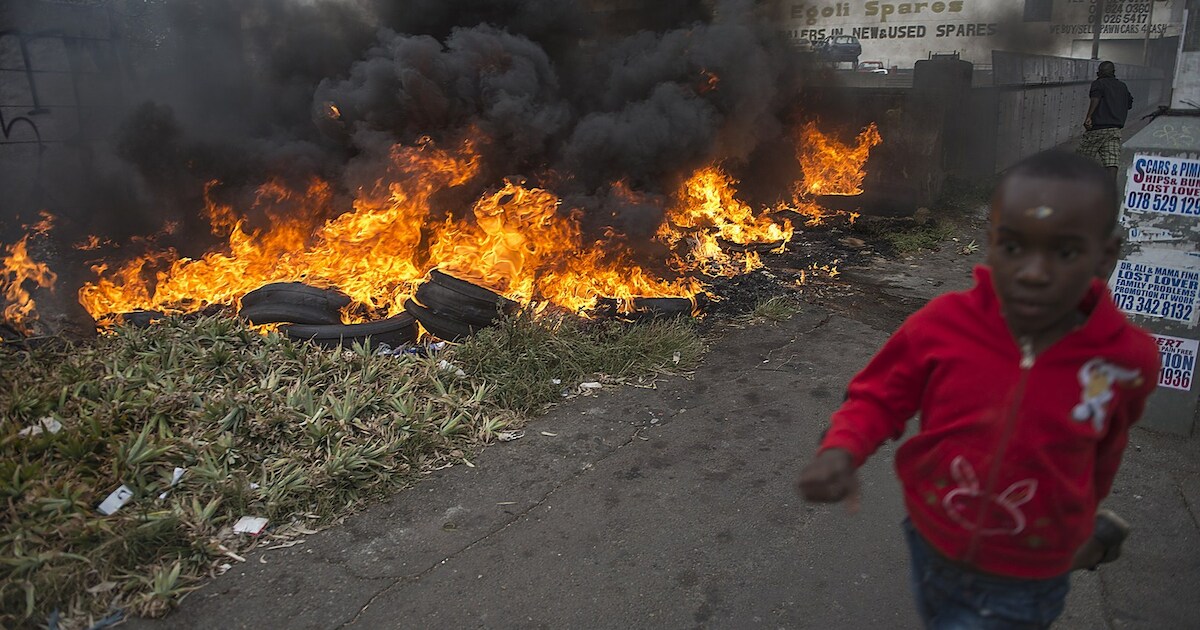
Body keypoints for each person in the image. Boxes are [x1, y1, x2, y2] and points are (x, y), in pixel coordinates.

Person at [796, 149, 1159, 629]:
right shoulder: (943, 325)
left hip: (1026, 575)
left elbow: (1106, 447)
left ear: (1105, 255)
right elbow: (879, 394)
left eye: (1065, 252)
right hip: (930, 537)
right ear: (990, 242)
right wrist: (841, 450)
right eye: (1012, 247)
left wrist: (1076, 518)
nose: (1032, 272)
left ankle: (1083, 543)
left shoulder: (1126, 360)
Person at [1077, 61, 1133, 180]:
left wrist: (1089, 116)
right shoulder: (1122, 86)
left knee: (1081, 159)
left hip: (1098, 129)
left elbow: (1095, 99)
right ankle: (1110, 189)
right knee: (1111, 161)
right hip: (1114, 130)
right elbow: (1129, 103)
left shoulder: (1098, 83)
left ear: (1100, 72)